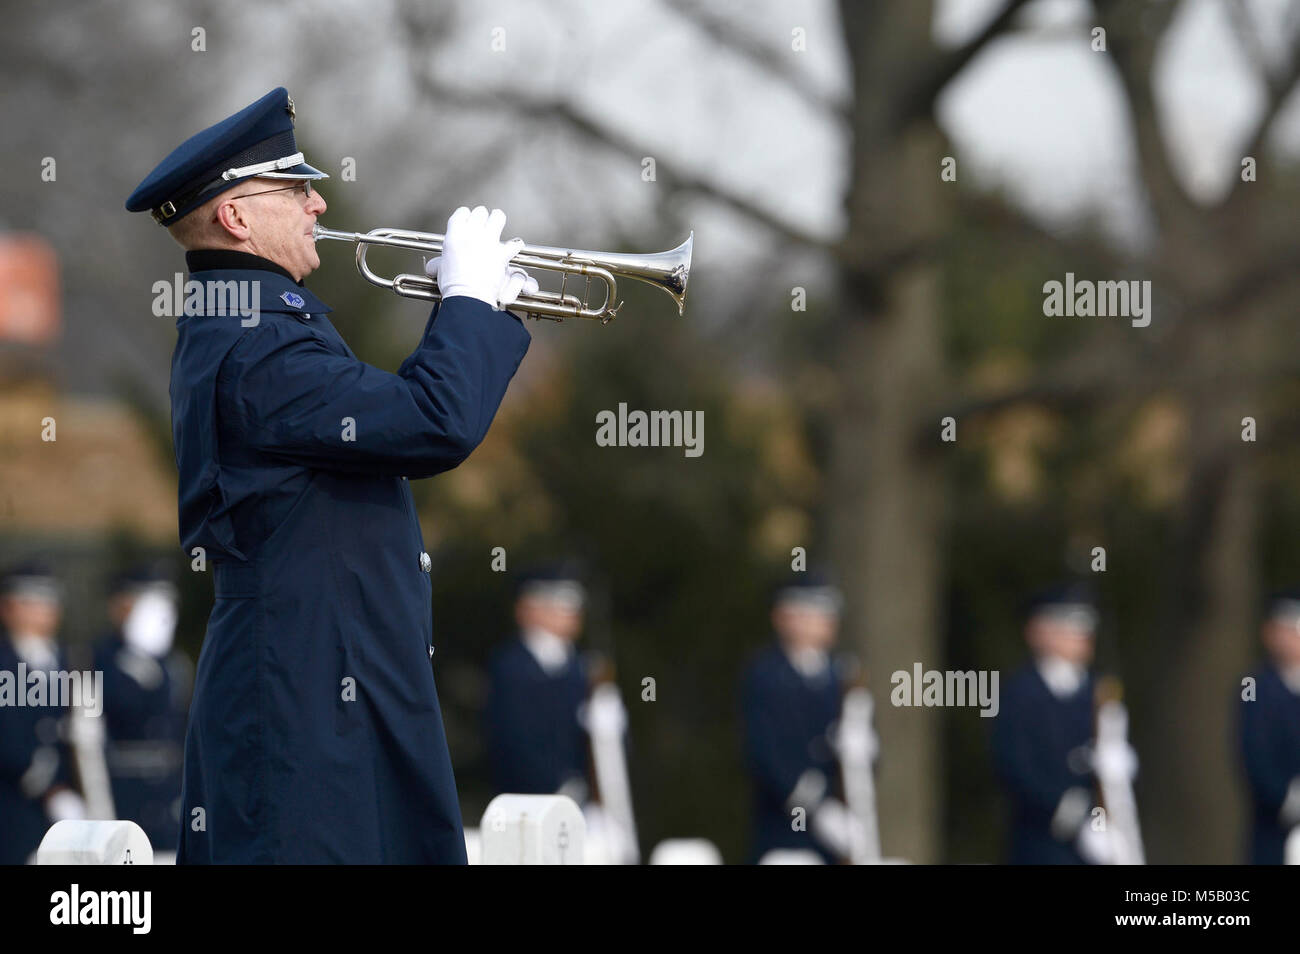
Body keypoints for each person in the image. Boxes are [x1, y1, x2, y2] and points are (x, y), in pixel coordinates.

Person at [125, 87, 533, 863]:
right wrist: (469, 306)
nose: (318, 204)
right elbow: (430, 421)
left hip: (326, 676)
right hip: (305, 692)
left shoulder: (261, 326)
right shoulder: (258, 345)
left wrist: (477, 315)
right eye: (296, 189)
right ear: (239, 218)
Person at [741, 572, 857, 864]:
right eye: (814, 614)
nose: (826, 623)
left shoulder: (842, 675)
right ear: (785, 617)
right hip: (785, 828)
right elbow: (764, 751)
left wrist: (863, 747)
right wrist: (816, 807)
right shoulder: (765, 675)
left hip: (842, 823)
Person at [992, 583, 1110, 864]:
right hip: (1039, 840)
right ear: (1038, 632)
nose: (1082, 637)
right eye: (1069, 627)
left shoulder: (1099, 693)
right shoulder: (1020, 692)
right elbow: (1013, 764)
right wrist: (1060, 807)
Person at [91, 564, 190, 852]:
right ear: (119, 605)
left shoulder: (175, 665)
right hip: (120, 792)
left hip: (168, 792)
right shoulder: (94, 660)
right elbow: (87, 735)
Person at [0, 561, 85, 864]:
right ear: (8, 607)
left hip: (71, 805)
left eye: (49, 601)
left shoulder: (71, 659)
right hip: (14, 808)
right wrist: (49, 787)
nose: (43, 610)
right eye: (32, 601)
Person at [485, 567, 590, 802]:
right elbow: (511, 739)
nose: (571, 614)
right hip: (526, 798)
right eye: (558, 604)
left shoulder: (580, 666)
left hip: (580, 795)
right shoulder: (510, 666)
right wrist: (552, 784)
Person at [1239, 591, 1300, 864]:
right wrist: (1285, 796)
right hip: (1274, 827)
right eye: (1286, 629)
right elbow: (1254, 752)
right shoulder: (1255, 688)